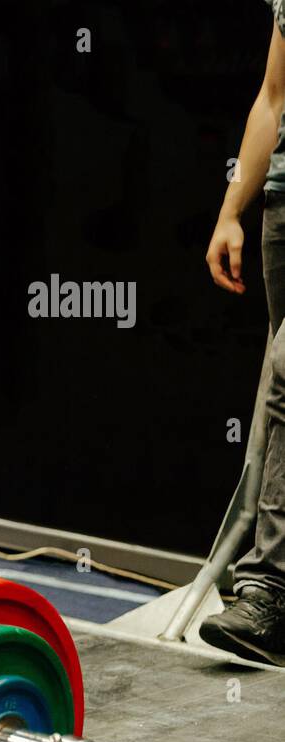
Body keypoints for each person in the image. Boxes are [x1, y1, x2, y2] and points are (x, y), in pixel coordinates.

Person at [202, 0, 285, 666]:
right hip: (283, 203)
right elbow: (273, 95)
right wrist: (233, 207)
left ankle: (269, 590)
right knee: (274, 400)